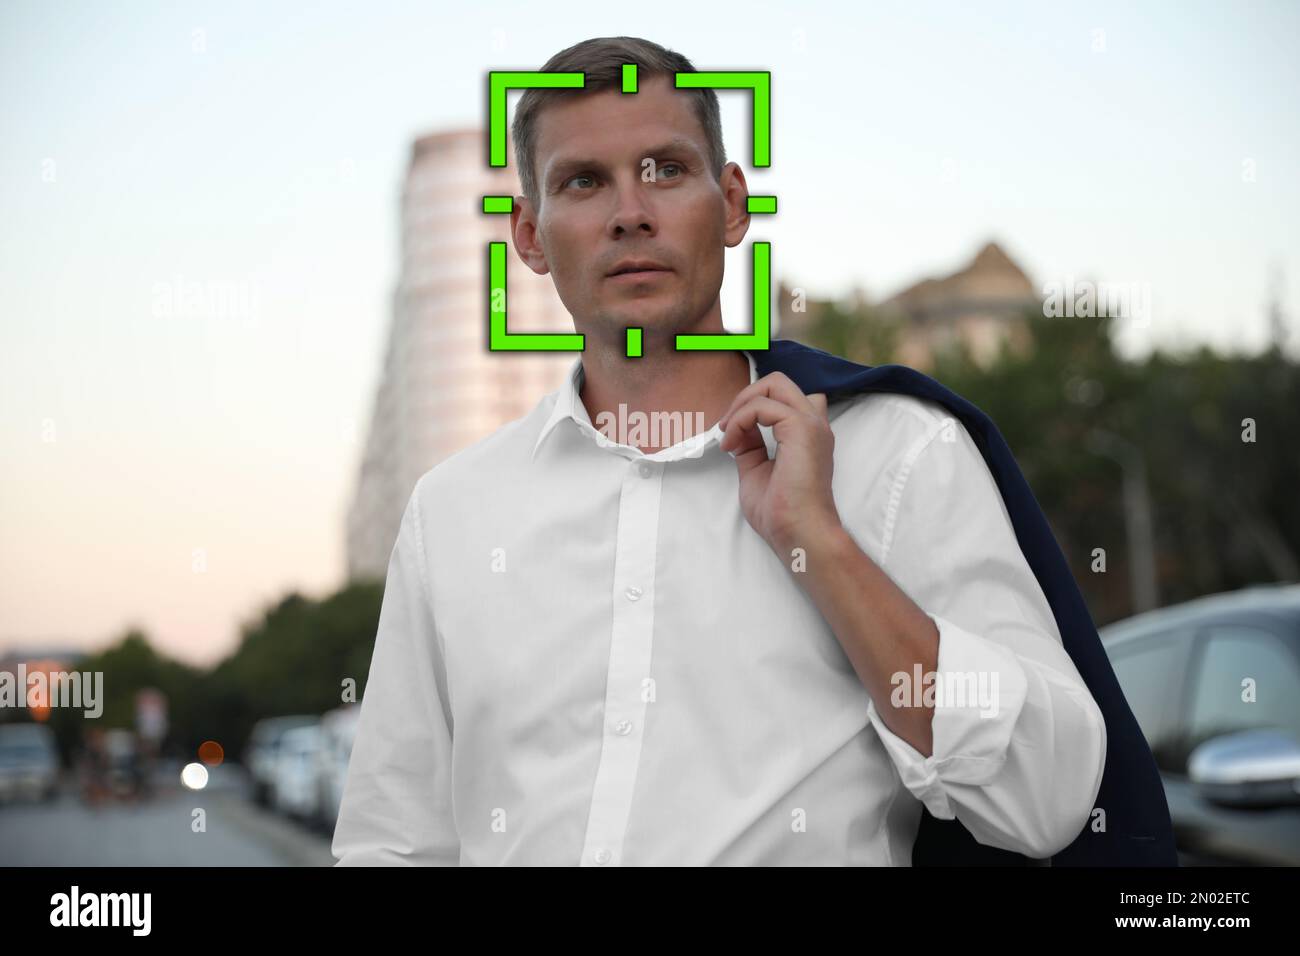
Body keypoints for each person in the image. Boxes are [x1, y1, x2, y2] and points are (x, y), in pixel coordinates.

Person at [332, 36, 1114, 866]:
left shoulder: (899, 454)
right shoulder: (453, 513)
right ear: (529, 234)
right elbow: (395, 841)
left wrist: (822, 546)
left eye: (667, 169)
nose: (631, 211)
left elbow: (1048, 796)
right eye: (584, 181)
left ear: (733, 202)